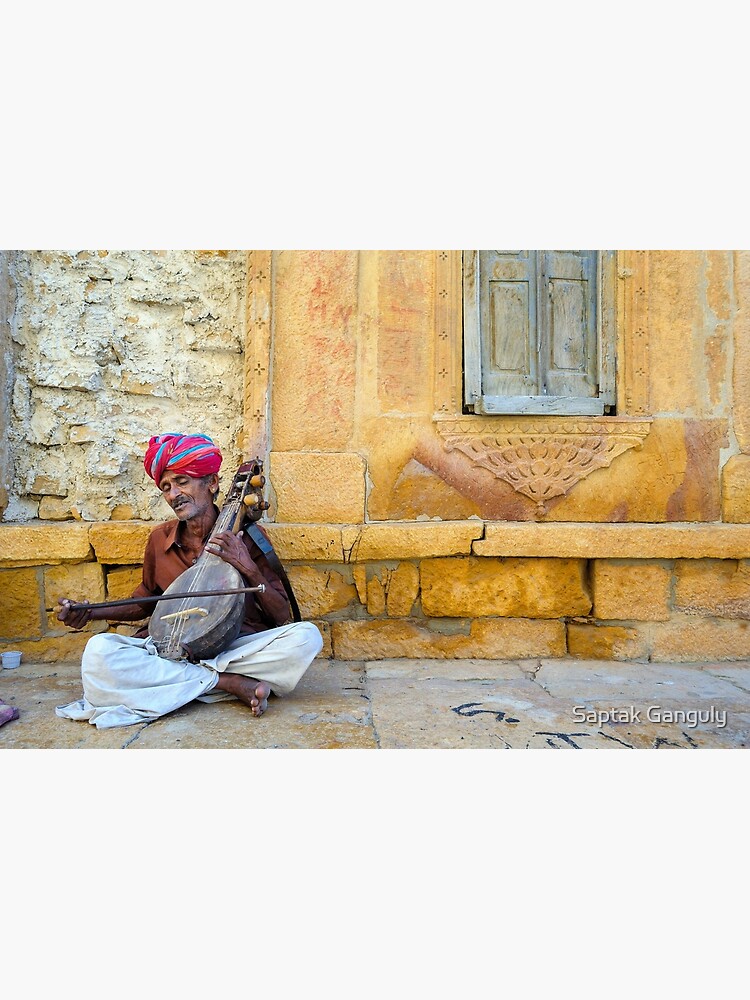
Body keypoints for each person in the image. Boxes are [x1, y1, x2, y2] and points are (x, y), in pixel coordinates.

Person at [55, 432, 322, 729]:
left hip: (234, 648)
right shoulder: (159, 540)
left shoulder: (249, 538)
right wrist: (89, 612)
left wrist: (248, 567)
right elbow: (144, 601)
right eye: (166, 487)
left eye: (182, 482)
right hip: (172, 649)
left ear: (212, 483)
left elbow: (281, 615)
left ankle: (179, 683)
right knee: (98, 651)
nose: (173, 495)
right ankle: (226, 684)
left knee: (307, 638)